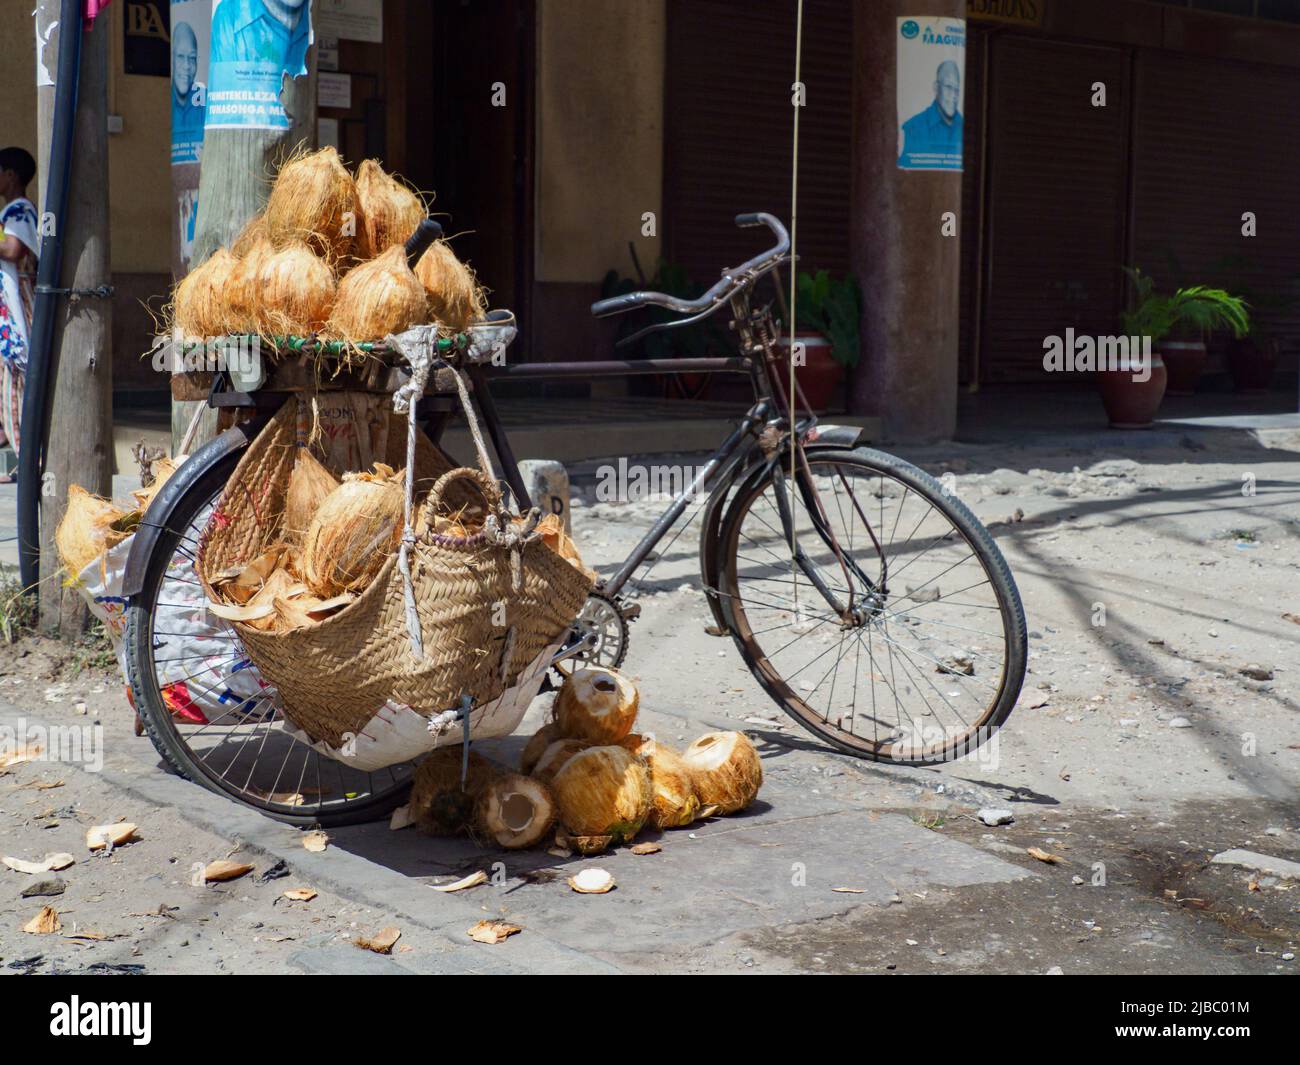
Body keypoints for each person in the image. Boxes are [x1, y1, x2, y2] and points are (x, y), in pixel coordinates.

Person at [0, 146, 39, 463]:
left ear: (9, 175)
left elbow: (13, 249)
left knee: (16, 380)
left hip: (17, 311)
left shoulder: (19, 210)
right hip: (10, 309)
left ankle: (27, 462)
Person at [898, 59, 963, 168]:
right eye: (949, 87)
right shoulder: (912, 128)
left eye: (957, 89)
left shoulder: (965, 128)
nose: (954, 95)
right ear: (936, 88)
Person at [171, 20, 205, 163]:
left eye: (191, 58)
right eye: (180, 57)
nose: (186, 66)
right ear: (171, 58)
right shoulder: (161, 104)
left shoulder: (208, 103)